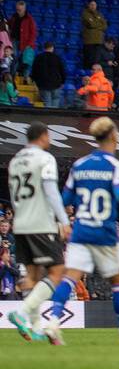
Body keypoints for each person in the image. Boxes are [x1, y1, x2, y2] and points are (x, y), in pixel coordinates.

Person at [46, 118, 119, 345]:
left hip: (81, 230)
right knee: (118, 283)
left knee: (70, 278)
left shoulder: (79, 165)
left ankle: (53, 321)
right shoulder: (117, 167)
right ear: (113, 136)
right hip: (105, 233)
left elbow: (65, 199)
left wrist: (62, 223)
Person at [5, 123, 71, 342]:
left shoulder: (15, 161)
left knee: (33, 277)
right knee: (57, 272)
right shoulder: (45, 158)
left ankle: (35, 327)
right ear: (44, 136)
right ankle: (21, 313)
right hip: (41, 223)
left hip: (20, 223)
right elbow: (51, 191)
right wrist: (64, 221)